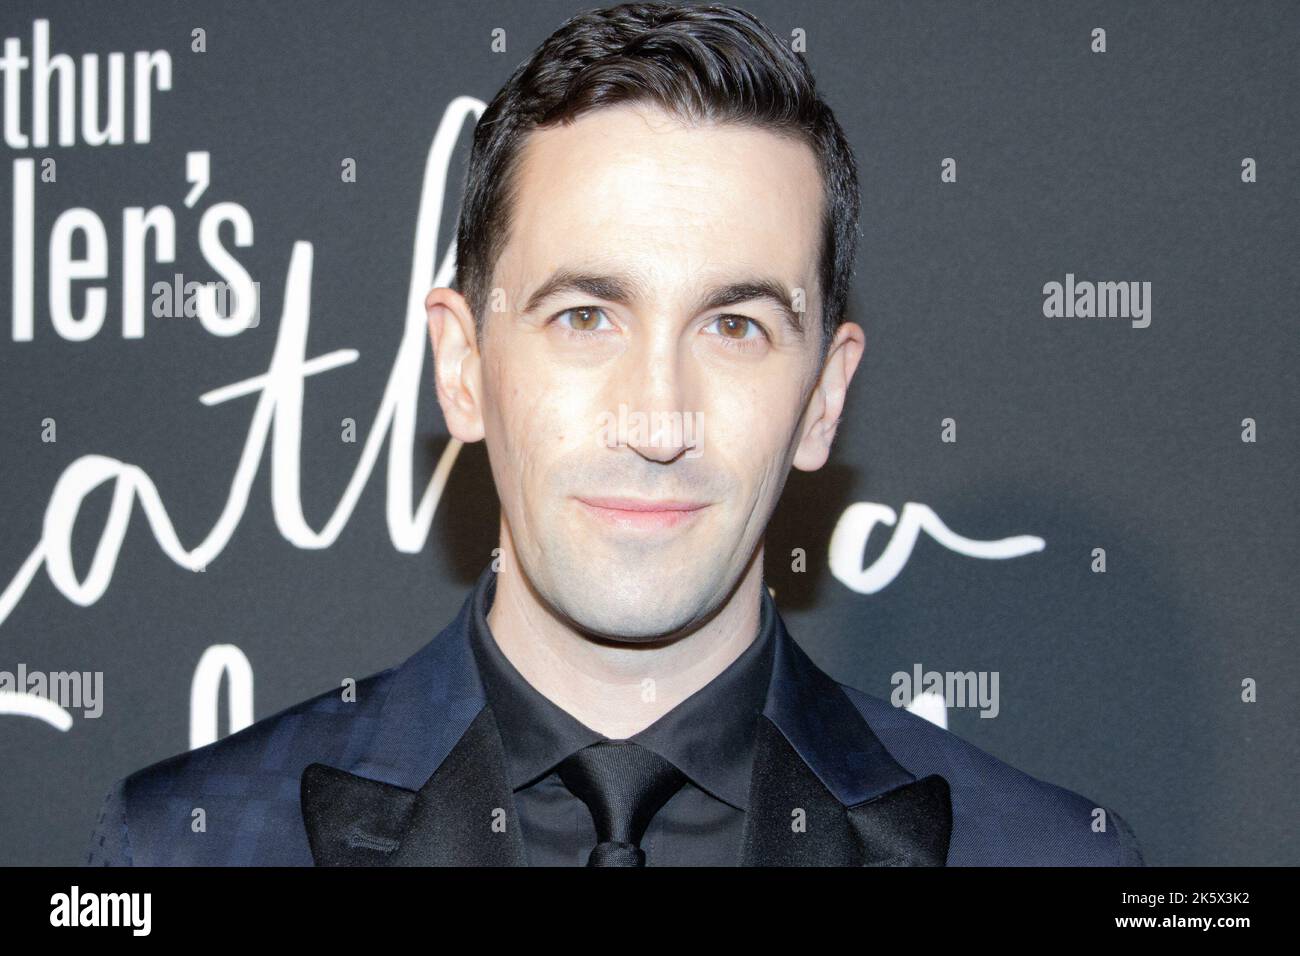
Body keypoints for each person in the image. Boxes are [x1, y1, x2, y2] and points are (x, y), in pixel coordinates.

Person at [85, 1, 1144, 867]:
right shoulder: (192, 842)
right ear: (461, 366)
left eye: (734, 326)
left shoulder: (1045, 856)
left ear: (823, 395)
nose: (656, 418)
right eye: (585, 316)